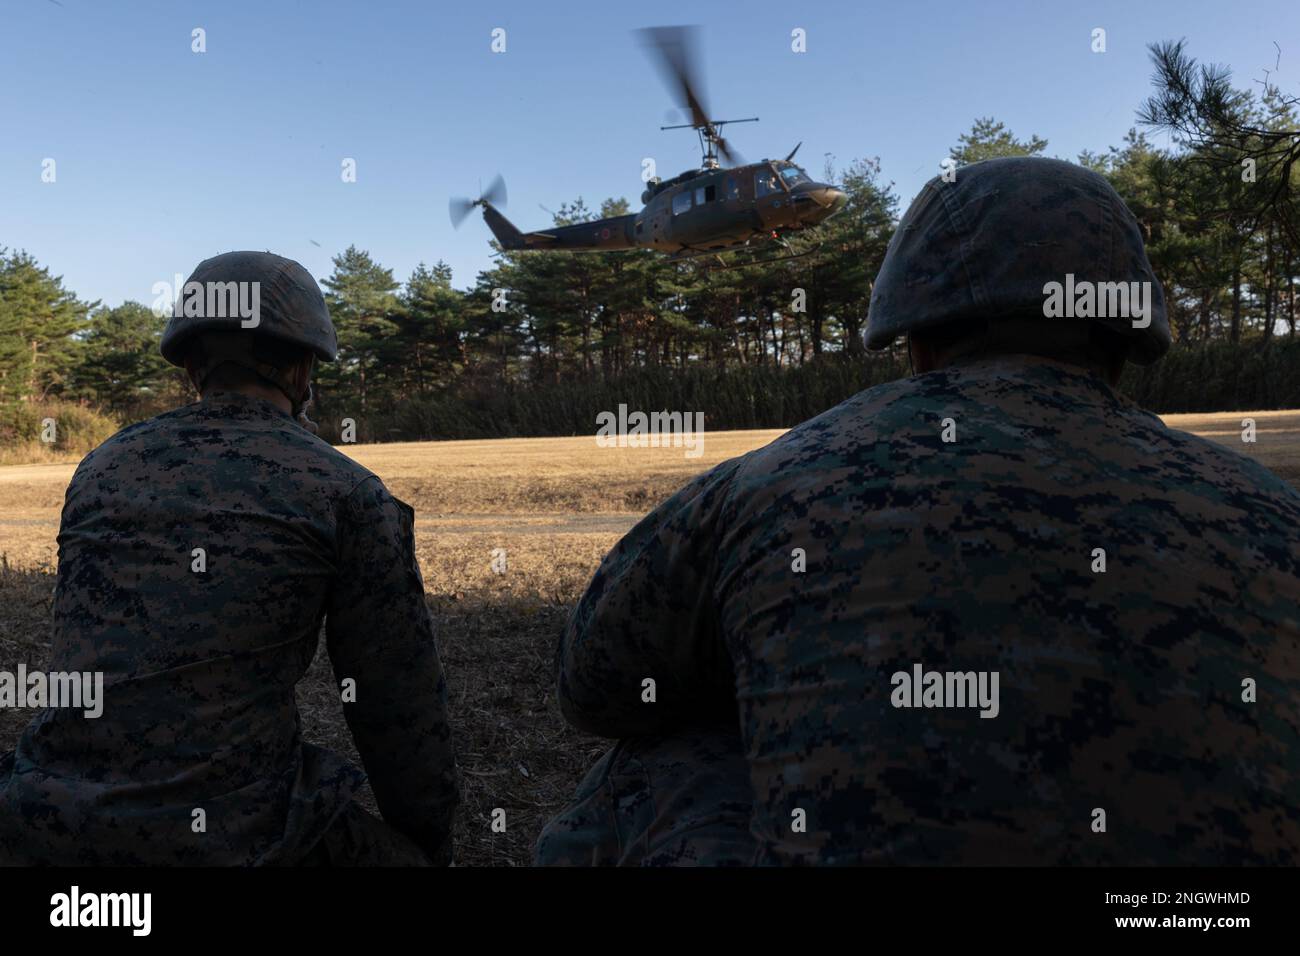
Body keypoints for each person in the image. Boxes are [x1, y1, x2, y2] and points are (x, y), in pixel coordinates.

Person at [537, 157, 1300, 866]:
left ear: (915, 334)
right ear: (1128, 337)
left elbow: (595, 685)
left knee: (654, 763)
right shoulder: (1274, 510)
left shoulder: (775, 478)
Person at [0, 251, 458, 866]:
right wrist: (427, 844)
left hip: (44, 824)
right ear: (302, 367)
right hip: (237, 837)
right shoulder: (345, 490)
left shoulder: (100, 468)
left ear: (191, 362)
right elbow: (396, 705)